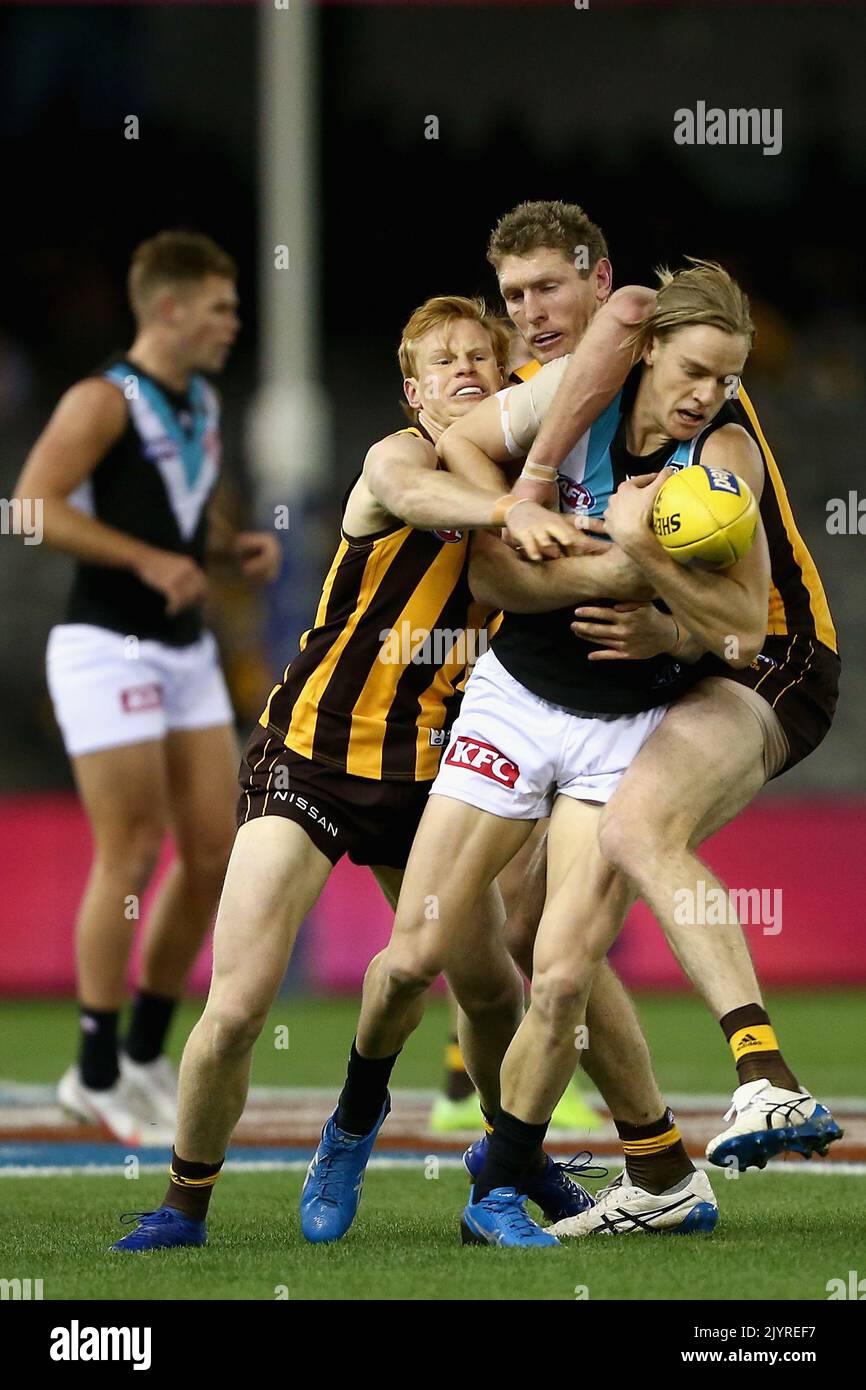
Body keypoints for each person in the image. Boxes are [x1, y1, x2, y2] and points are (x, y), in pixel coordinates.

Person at [109, 294, 598, 1251]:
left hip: (433, 783)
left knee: (493, 990)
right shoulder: (398, 461)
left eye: (480, 358)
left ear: (505, 385)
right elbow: (419, 498)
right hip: (311, 762)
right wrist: (515, 512)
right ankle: (182, 1205)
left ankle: (498, 1162)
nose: (465, 368)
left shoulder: (533, 498)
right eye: (442, 361)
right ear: (415, 392)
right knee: (241, 1003)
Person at [13, 231, 281, 1145]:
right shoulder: (101, 398)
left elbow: (169, 508)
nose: (233, 324)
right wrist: (151, 562)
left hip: (181, 649)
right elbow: (31, 507)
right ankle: (90, 1071)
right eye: (221, 308)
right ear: (168, 308)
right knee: (129, 851)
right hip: (105, 647)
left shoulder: (198, 401)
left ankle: (142, 1053)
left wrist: (222, 548)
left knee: (213, 853)